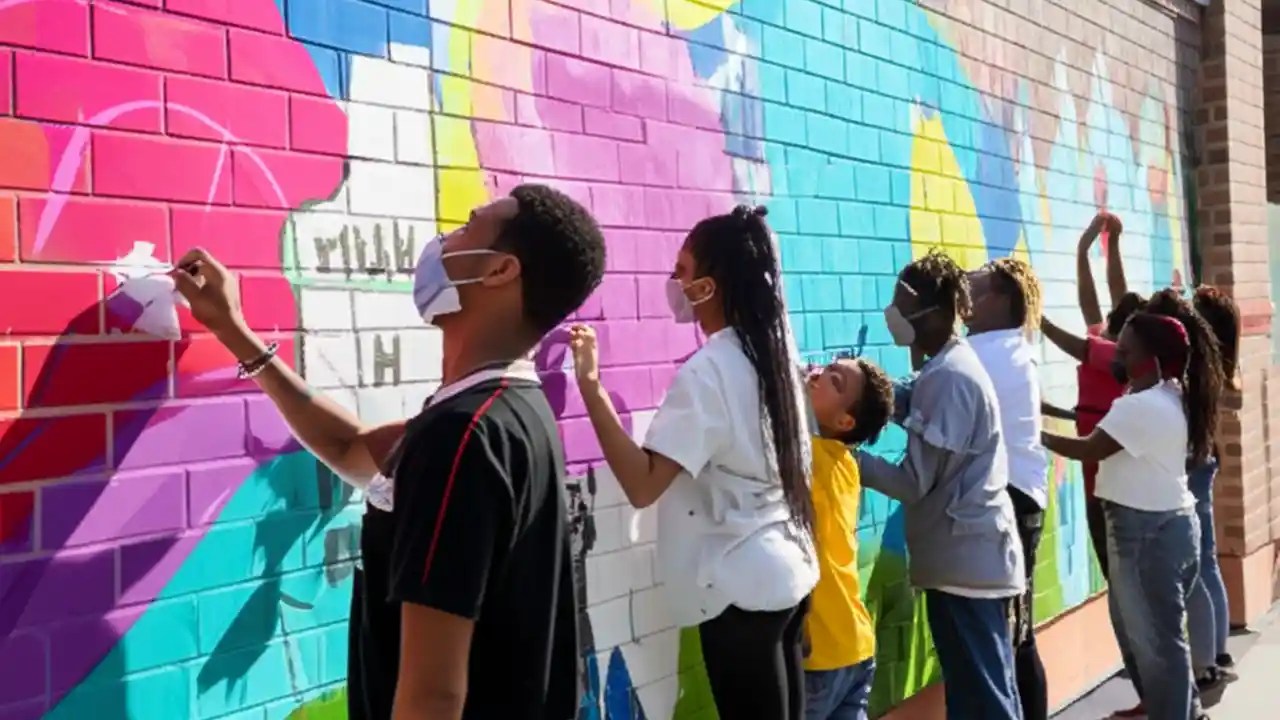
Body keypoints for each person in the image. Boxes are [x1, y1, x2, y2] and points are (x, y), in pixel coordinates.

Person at [172, 184, 606, 720]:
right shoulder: (504, 409)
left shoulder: (463, 435)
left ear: (500, 271)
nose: (445, 240)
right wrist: (234, 332)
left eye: (468, 227)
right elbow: (348, 446)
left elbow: (432, 695)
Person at [568, 205, 818, 720]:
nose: (674, 282)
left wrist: (591, 388)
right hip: (787, 573)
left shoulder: (710, 371)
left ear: (711, 285)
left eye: (682, 271)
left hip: (741, 591)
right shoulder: (775, 356)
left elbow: (643, 484)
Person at [858, 249, 1024, 720]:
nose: (894, 316)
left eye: (901, 307)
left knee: (983, 700)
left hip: (966, 568)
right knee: (985, 692)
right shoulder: (948, 366)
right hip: (968, 562)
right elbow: (913, 403)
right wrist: (873, 393)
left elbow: (913, 484)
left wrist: (853, 461)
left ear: (930, 314)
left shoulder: (950, 376)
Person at [1042, 310, 1222, 720]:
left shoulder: (1141, 406)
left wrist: (1033, 434)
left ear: (1152, 360)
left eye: (1124, 350)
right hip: (1162, 528)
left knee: (1158, 646)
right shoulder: (1169, 394)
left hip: (1145, 533)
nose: (1115, 356)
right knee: (1147, 639)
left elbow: (1089, 449)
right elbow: (1092, 369)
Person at [965, 257, 1049, 720]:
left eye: (971, 287)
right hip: (1024, 497)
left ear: (997, 300)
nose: (963, 296)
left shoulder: (986, 353)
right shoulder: (1013, 347)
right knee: (1019, 633)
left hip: (1010, 501)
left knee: (1012, 637)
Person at [1040, 211, 1144, 579]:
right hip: (1097, 478)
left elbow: (1075, 341)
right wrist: (1091, 250)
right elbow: (1095, 300)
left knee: (1119, 574)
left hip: (1107, 481)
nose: (1105, 316)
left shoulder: (1113, 356)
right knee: (1116, 573)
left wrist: (1036, 316)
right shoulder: (1113, 346)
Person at [1156, 286, 1240, 687]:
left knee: (1198, 566)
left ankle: (1207, 661)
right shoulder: (1217, 365)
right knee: (1206, 562)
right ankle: (1217, 651)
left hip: (1194, 466)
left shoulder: (1198, 370)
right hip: (1204, 463)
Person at [802, 357, 894, 720]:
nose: (820, 376)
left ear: (845, 421)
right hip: (855, 646)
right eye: (827, 368)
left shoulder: (812, 459)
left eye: (834, 381)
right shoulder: (846, 465)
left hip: (821, 653)